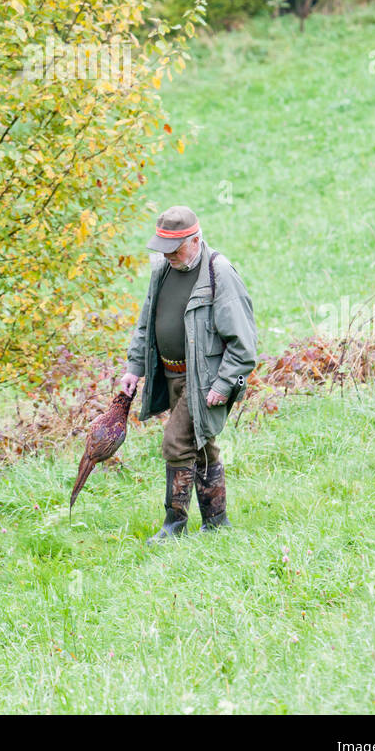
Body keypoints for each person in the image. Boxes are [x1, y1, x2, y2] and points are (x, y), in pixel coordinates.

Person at [120, 205, 257, 542]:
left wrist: (224, 384)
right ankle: (216, 523)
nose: (168, 256)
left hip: (205, 380)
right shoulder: (163, 270)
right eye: (163, 249)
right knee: (202, 445)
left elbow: (244, 343)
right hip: (170, 375)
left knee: (176, 443)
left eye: (175, 249)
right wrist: (134, 368)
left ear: (195, 240)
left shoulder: (219, 272)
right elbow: (146, 324)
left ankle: (174, 526)